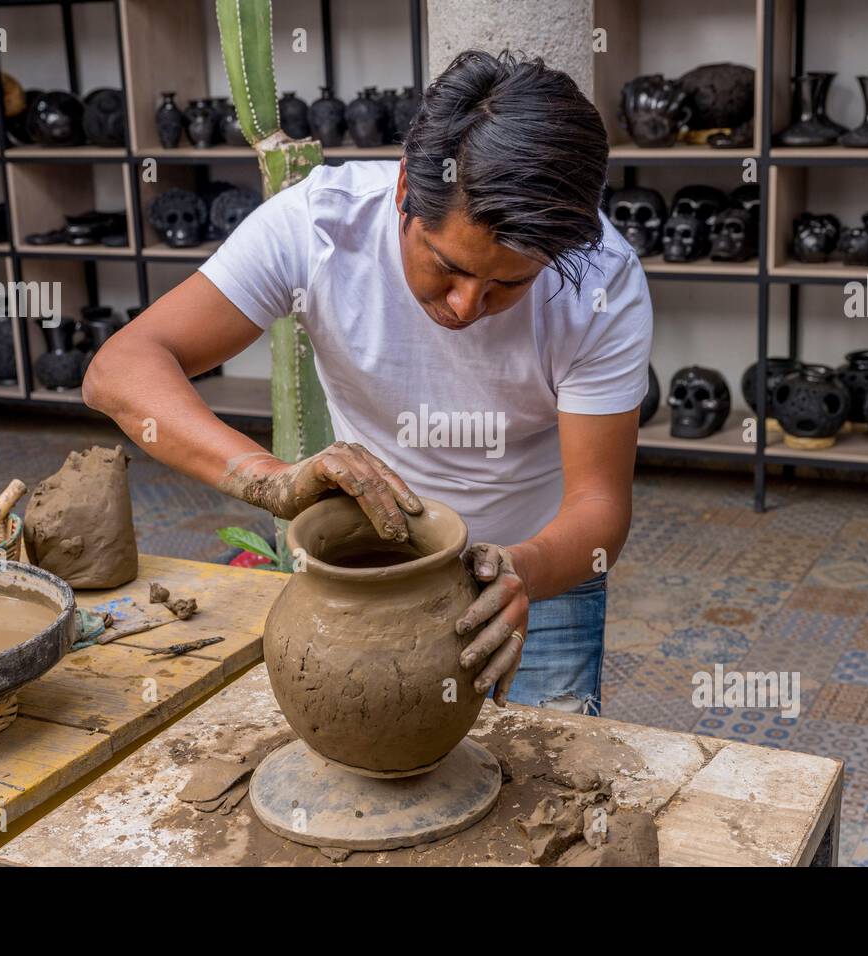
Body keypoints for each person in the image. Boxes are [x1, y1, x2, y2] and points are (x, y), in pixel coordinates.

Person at [84, 49, 652, 716]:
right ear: (406, 189)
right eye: (447, 267)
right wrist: (270, 479)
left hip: (537, 576)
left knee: (550, 783)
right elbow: (119, 369)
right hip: (369, 571)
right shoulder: (321, 226)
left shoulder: (600, 283)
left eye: (507, 284)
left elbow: (599, 508)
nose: (466, 306)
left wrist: (521, 570)